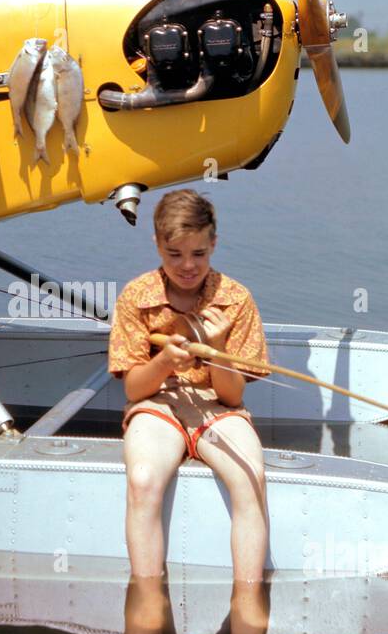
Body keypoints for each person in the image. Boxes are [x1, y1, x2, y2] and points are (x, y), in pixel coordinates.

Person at [107, 189, 270, 591]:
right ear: (157, 244)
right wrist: (164, 363)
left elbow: (233, 397)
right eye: (174, 254)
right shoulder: (136, 296)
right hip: (158, 404)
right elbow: (134, 386)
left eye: (199, 253)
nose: (187, 266)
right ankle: (146, 599)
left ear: (214, 243)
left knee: (252, 477)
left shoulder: (237, 299)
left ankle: (247, 598)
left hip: (217, 406)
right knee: (143, 479)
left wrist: (216, 352)